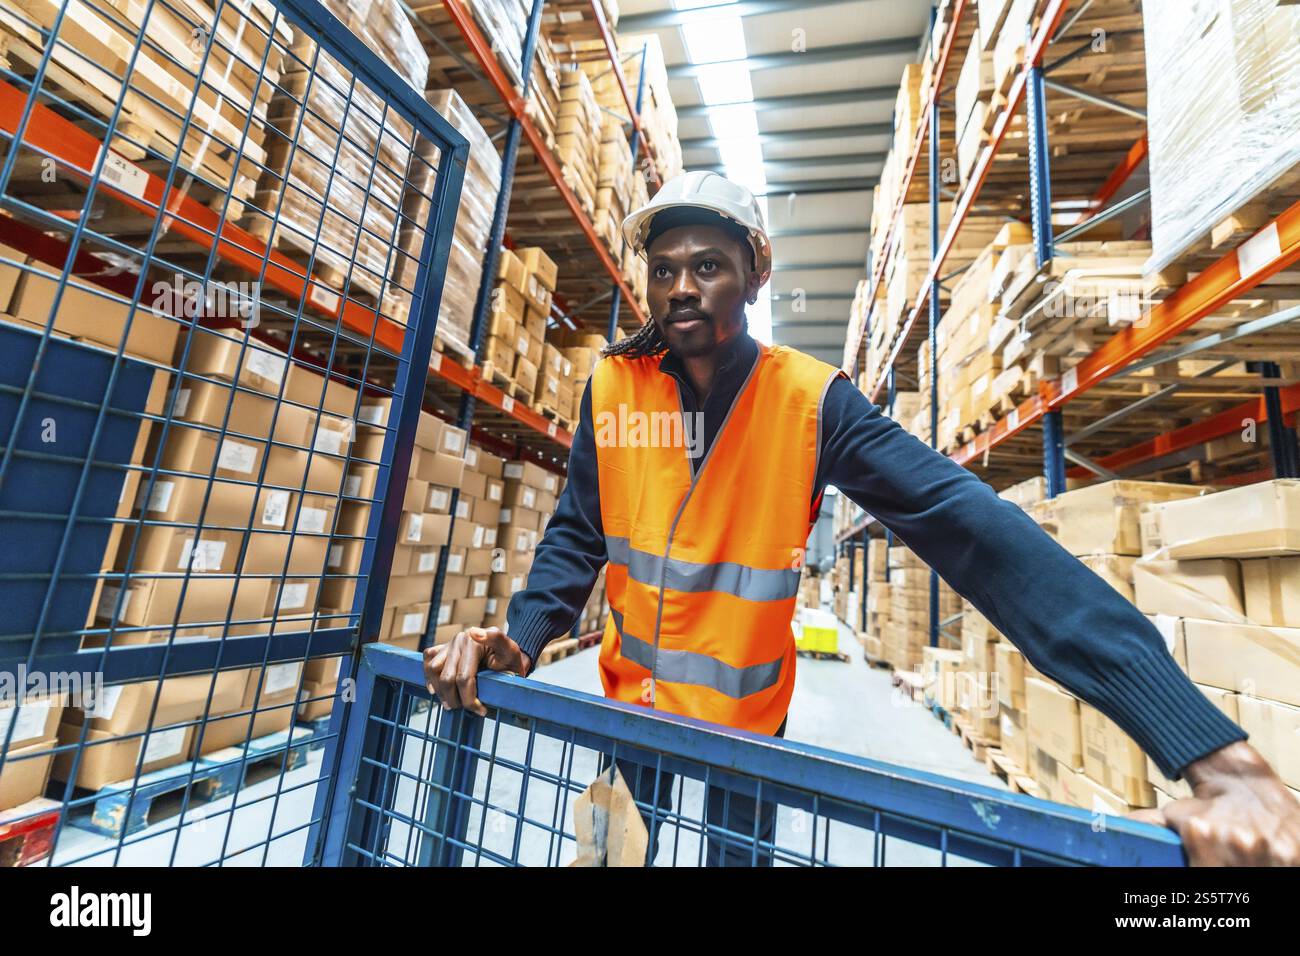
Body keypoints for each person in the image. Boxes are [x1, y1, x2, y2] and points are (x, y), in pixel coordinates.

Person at [425, 171, 1300, 867]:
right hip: (628, 709)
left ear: (756, 274)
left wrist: (1213, 754)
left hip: (748, 727)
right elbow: (580, 530)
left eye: (708, 266)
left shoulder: (812, 404)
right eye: (663, 269)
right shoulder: (613, 388)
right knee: (612, 852)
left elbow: (974, 534)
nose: (682, 287)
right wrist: (524, 635)